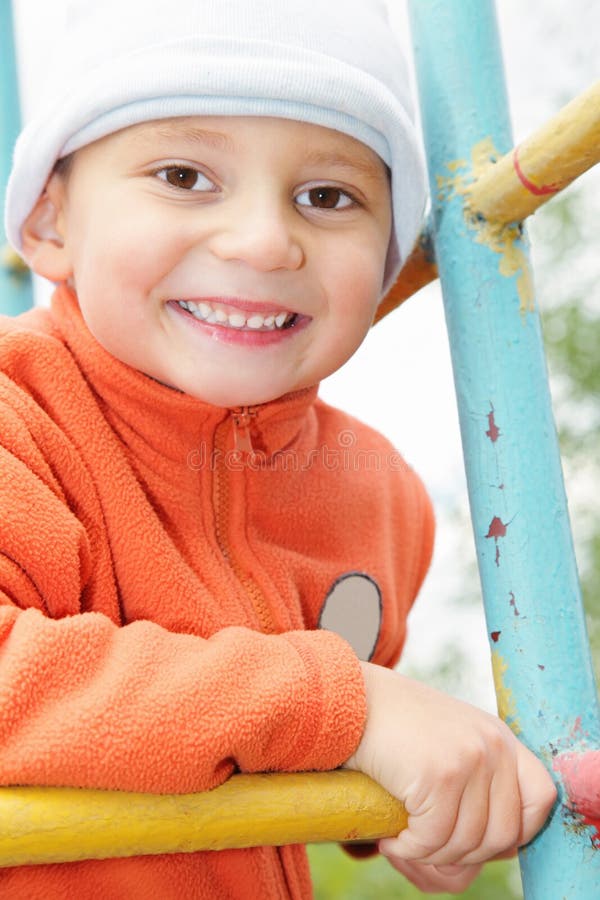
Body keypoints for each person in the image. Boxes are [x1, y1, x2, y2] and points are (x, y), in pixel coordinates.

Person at [0, 1, 556, 897]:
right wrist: (347, 710)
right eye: (184, 175)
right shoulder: (18, 415)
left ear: (383, 260)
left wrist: (426, 800)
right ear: (50, 224)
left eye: (327, 197)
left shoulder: (382, 500)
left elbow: (305, 755)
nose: (263, 241)